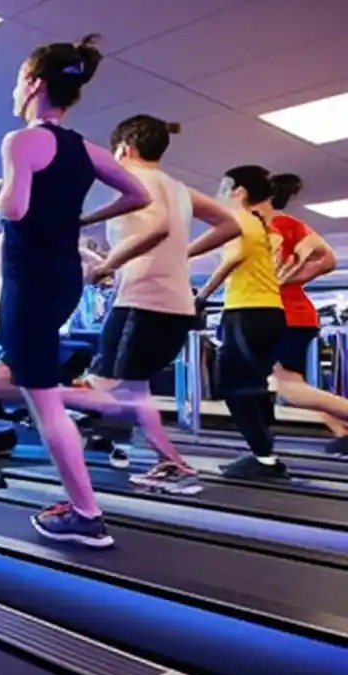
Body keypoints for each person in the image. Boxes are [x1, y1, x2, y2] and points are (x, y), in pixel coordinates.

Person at [0, 34, 152, 548]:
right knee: (17, 381)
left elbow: (14, 209)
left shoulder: (21, 140)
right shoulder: (86, 149)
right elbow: (136, 193)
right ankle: (90, 404)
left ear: (33, 84)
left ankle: (86, 513)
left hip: (29, 283)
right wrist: (83, 216)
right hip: (62, 280)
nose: (13, 89)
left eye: (16, 80)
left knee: (40, 399)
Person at [65, 115, 241, 492]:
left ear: (124, 149)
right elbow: (230, 225)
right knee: (135, 389)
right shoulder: (179, 189)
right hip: (174, 306)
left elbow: (157, 227)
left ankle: (21, 394)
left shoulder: (135, 180)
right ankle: (172, 463)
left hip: (142, 304)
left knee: (99, 389)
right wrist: (181, 256)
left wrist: (108, 265)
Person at [187, 166, 287, 480]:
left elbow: (233, 256)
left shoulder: (239, 218)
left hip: (248, 311)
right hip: (268, 311)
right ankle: (266, 454)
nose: (220, 191)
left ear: (239, 191)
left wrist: (200, 296)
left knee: (234, 386)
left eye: (224, 185)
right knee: (253, 385)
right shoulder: (256, 222)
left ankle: (264, 458)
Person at [255, 173, 348, 451]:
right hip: (296, 314)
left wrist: (281, 280)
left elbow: (325, 261)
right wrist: (295, 278)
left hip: (284, 315)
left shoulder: (271, 227)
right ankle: (341, 431)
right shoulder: (293, 224)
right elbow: (328, 261)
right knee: (293, 384)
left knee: (285, 387)